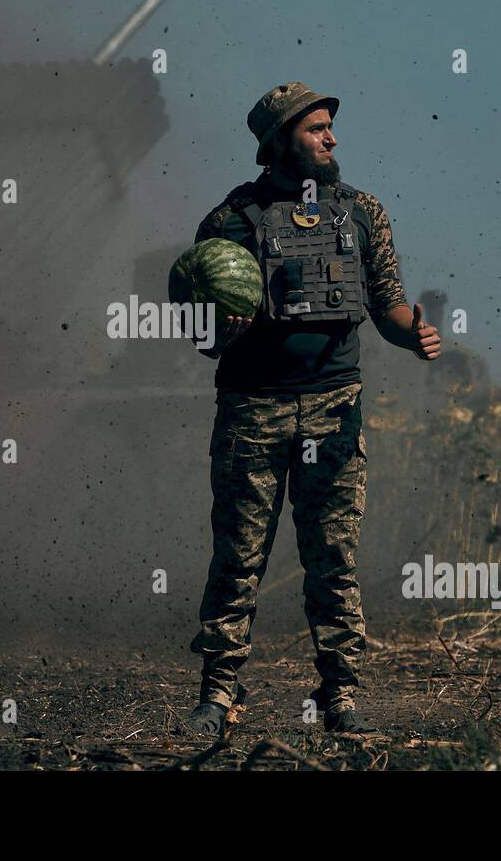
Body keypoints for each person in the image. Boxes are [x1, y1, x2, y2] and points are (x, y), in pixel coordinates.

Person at [185, 82, 440, 737]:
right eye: (315, 129)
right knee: (238, 558)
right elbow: (200, 331)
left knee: (333, 558)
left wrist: (413, 331)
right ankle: (217, 695)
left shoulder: (362, 213)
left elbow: (387, 303)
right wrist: (225, 321)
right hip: (253, 409)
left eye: (330, 127)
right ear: (277, 144)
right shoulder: (230, 222)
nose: (331, 139)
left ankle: (340, 695)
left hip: (334, 406)